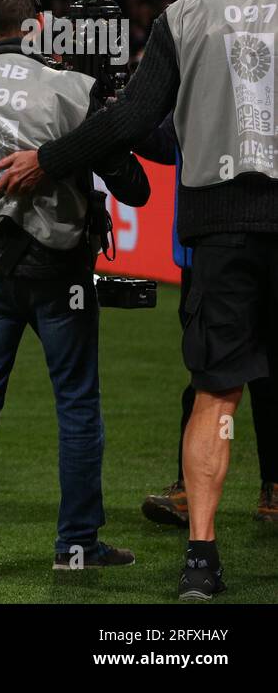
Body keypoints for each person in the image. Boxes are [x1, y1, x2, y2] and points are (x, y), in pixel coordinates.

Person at [0, 0, 278, 600]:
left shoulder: (186, 14)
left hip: (222, 229)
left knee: (216, 393)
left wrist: (49, 158)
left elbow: (132, 122)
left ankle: (201, 560)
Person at [0, 0, 149, 582]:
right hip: (60, 273)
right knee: (77, 409)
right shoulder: (74, 88)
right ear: (42, 26)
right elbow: (134, 185)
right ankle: (76, 545)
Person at [134, 116, 278, 527]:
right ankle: (188, 486)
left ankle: (273, 485)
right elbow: (164, 142)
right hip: (206, 248)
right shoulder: (197, 68)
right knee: (206, 373)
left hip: (252, 238)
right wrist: (118, 116)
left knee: (268, 371)